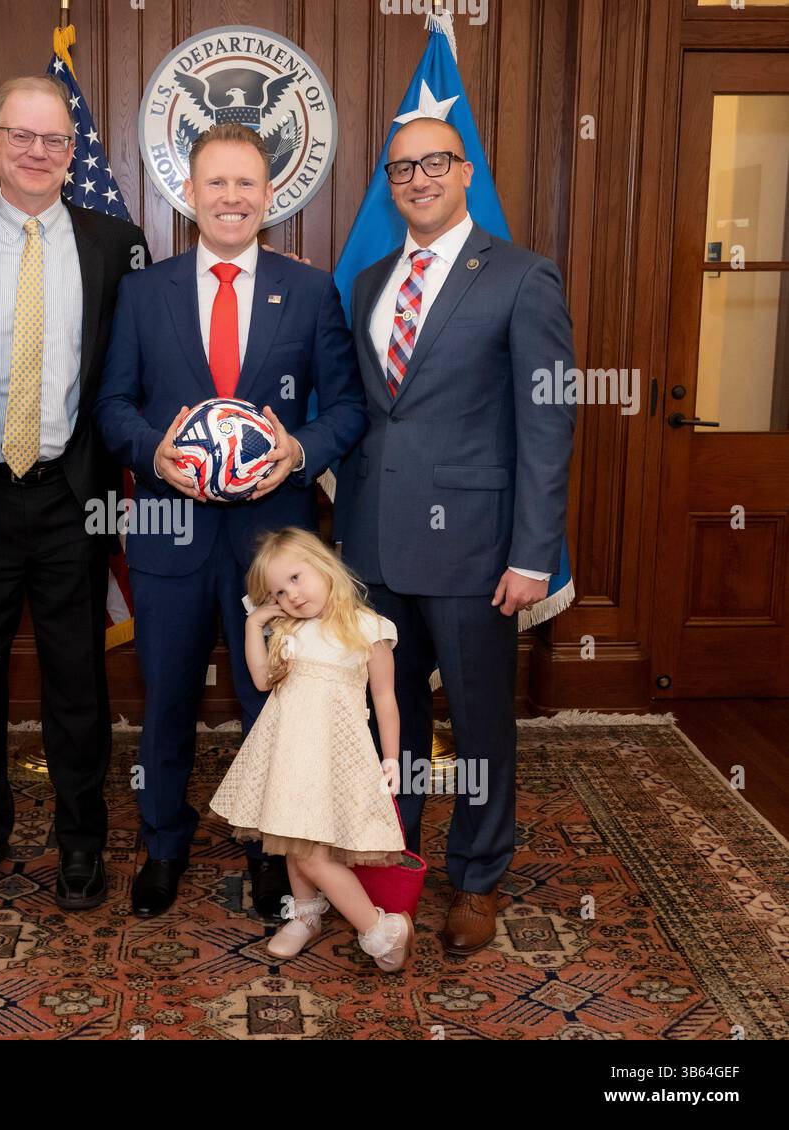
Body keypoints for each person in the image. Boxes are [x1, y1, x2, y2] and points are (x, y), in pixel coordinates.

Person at [95, 123, 366, 920]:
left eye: (246, 183)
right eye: (216, 183)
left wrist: (299, 451)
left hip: (274, 547)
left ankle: (273, 856)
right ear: (189, 194)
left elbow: (347, 408)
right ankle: (163, 846)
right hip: (170, 537)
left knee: (274, 706)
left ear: (271, 195)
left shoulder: (310, 291)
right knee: (168, 700)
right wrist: (155, 455)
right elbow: (111, 407)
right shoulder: (145, 293)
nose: (232, 198)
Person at [333, 115, 577, 955]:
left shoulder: (521, 277)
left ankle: (476, 878)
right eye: (402, 168)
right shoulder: (368, 284)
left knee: (478, 726)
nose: (419, 178)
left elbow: (547, 424)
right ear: (388, 183)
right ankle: (391, 860)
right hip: (372, 550)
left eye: (435, 162)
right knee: (384, 723)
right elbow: (373, 416)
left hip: (476, 551)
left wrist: (532, 553)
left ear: (466, 170)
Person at [0, 75, 150, 910]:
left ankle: (80, 841)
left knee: (76, 680)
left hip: (70, 495)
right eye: (23, 137)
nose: (39, 153)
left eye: (55, 141)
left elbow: (144, 358)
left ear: (73, 149)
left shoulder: (117, 242)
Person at [209, 527, 413, 972]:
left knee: (311, 853)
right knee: (292, 839)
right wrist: (253, 623)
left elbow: (385, 699)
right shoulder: (287, 630)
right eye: (279, 592)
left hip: (335, 755)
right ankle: (305, 915)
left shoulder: (368, 629)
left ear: (324, 566)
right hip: (287, 752)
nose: (292, 596)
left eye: (297, 578)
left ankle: (381, 929)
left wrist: (393, 757)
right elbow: (262, 681)